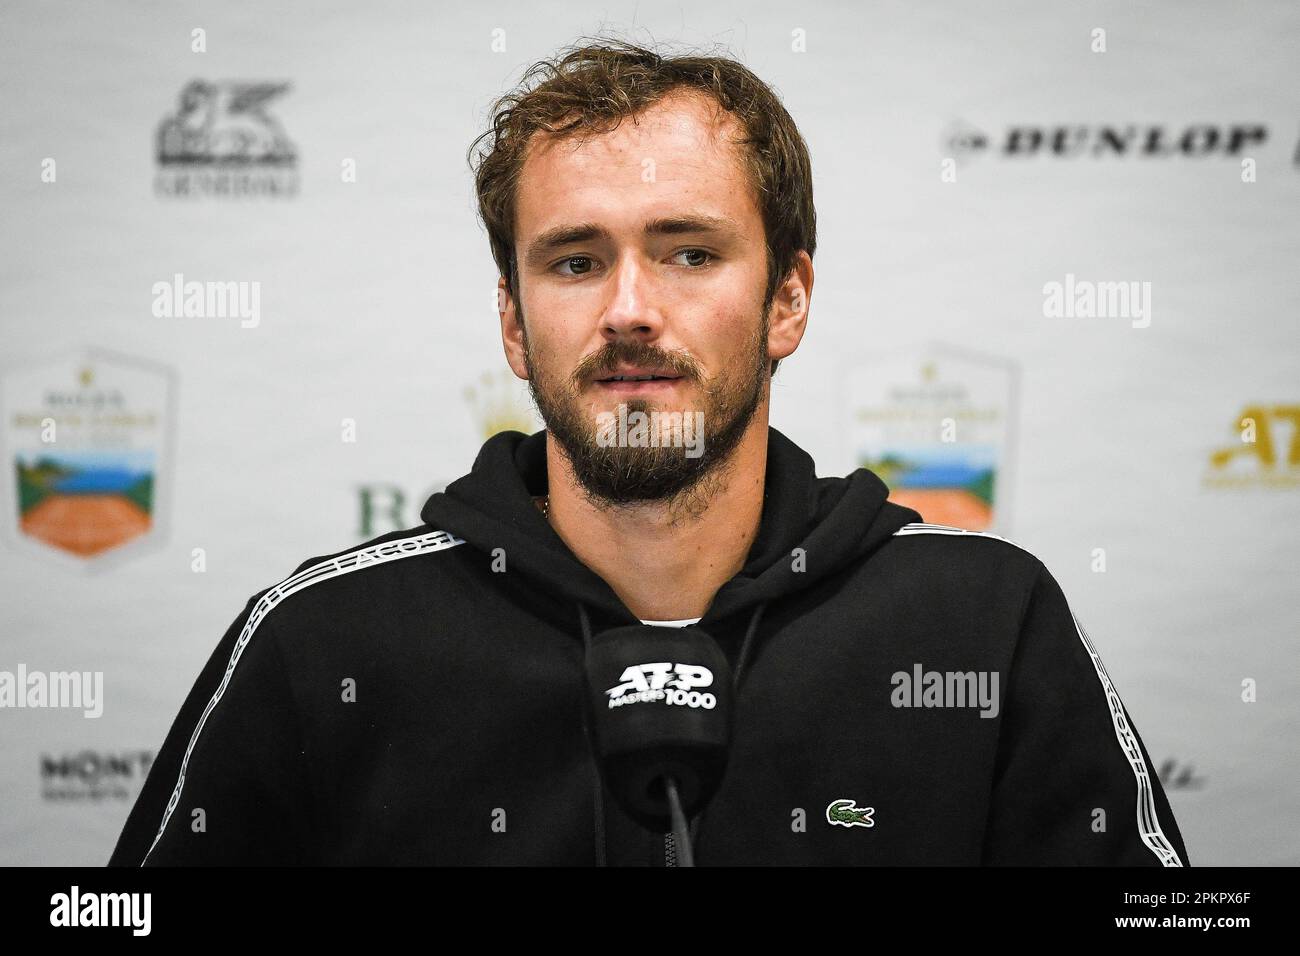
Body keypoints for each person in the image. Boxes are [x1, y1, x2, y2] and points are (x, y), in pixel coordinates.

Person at [108, 39, 1188, 866]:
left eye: (688, 252)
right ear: (514, 324)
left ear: (787, 300)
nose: (630, 309)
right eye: (576, 261)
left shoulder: (987, 625)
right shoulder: (320, 642)